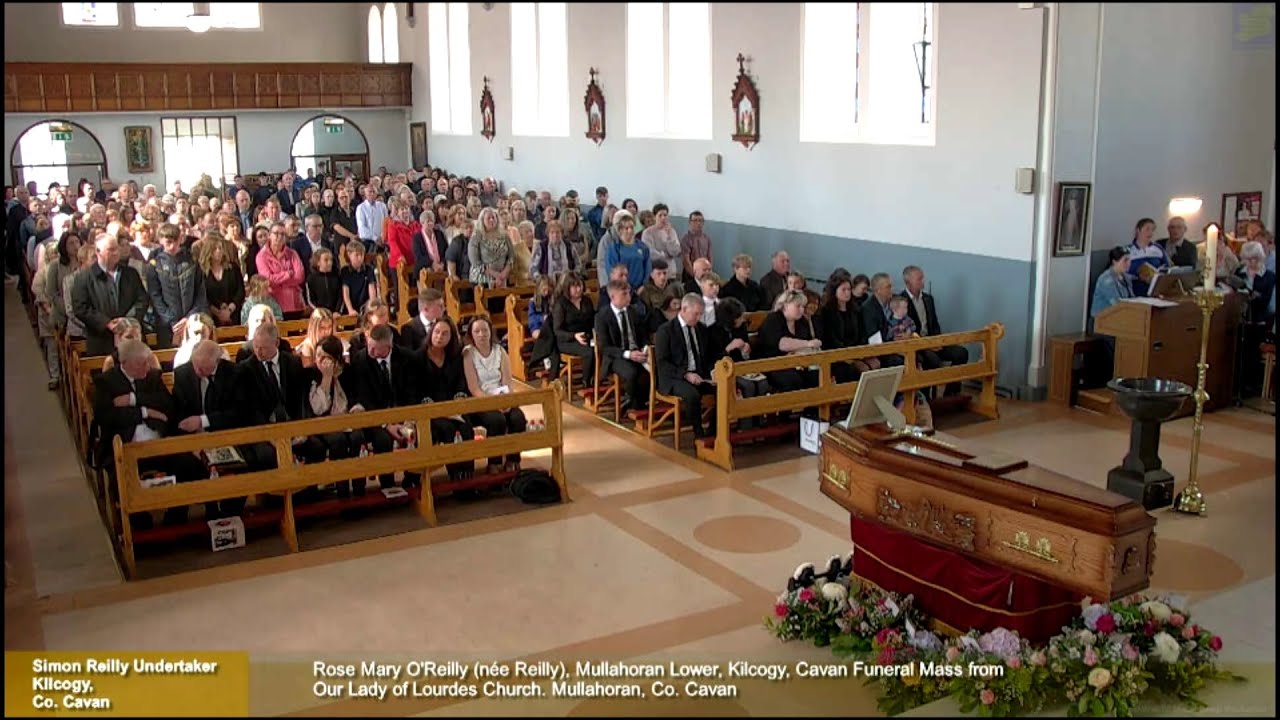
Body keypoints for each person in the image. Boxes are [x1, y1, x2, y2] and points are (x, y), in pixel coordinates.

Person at [93, 339, 203, 528]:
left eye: (146, 362)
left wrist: (133, 399)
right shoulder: (106, 382)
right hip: (126, 449)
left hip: (157, 444)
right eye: (140, 363)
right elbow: (107, 416)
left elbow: (167, 406)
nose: (146, 366)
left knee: (188, 464)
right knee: (122, 479)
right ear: (125, 363)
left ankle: (176, 517)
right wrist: (146, 412)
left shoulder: (152, 376)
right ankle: (137, 523)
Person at [171, 338, 240, 519]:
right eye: (196, 365)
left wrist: (203, 421)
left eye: (203, 368)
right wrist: (194, 438)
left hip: (223, 434)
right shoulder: (183, 374)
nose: (198, 371)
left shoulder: (233, 374)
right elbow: (178, 413)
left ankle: (228, 514)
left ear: (217, 362)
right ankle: (179, 518)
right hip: (192, 439)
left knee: (240, 463)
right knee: (185, 465)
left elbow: (236, 413)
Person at [349, 323, 423, 489]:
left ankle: (412, 479)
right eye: (369, 346)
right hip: (376, 416)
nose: (371, 352)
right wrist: (387, 425)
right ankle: (387, 485)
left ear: (389, 346)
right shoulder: (361, 360)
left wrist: (407, 420)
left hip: (403, 413)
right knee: (383, 440)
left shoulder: (407, 358)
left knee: (419, 433)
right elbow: (365, 398)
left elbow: (412, 392)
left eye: (376, 349)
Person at [301, 335, 366, 497]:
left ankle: (359, 489)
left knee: (357, 437)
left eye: (325, 357)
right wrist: (327, 377)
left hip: (347, 419)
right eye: (317, 356)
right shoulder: (311, 374)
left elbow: (357, 396)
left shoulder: (349, 371)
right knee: (339, 441)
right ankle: (342, 489)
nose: (320, 360)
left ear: (336, 358)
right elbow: (317, 409)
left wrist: (357, 408)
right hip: (322, 423)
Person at [463, 315, 528, 473]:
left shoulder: (500, 351)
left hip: (502, 397)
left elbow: (507, 383)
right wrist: (493, 403)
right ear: (471, 334)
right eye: (477, 331)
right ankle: (494, 463)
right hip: (481, 400)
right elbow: (474, 388)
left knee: (517, 418)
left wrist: (505, 401)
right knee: (497, 420)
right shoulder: (468, 353)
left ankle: (513, 460)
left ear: (490, 332)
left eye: (484, 330)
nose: (481, 334)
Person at [71, 232, 150, 357]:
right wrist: (107, 323)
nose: (116, 253)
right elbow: (80, 308)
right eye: (111, 250)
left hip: (131, 336)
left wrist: (127, 321)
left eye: (117, 248)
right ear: (98, 251)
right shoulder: (84, 278)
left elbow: (142, 299)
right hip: (101, 340)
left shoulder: (130, 273)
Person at [655, 294, 717, 440]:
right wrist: (685, 374)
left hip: (699, 375)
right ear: (683, 309)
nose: (698, 318)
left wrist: (713, 371)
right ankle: (698, 433)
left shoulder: (701, 329)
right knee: (692, 395)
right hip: (675, 377)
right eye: (695, 314)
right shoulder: (666, 330)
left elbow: (708, 355)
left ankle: (714, 430)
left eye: (700, 314)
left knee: (723, 390)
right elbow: (663, 363)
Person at [420, 316, 476, 480]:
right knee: (448, 430)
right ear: (431, 333)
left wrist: (459, 398)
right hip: (430, 409)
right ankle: (455, 475)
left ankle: (468, 475)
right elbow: (417, 388)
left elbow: (461, 382)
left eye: (445, 334)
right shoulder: (419, 357)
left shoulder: (455, 358)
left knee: (466, 428)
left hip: (452, 406)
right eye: (437, 332)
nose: (439, 337)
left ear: (451, 338)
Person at [900, 265, 969, 395]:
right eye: (919, 279)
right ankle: (925, 398)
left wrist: (938, 341)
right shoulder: (901, 302)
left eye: (923, 278)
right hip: (917, 346)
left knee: (961, 353)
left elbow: (935, 325)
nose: (923, 282)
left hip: (933, 342)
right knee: (932, 360)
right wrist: (927, 346)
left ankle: (951, 394)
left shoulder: (928, 299)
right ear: (908, 282)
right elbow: (907, 332)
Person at [707, 297, 769, 430]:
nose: (742, 320)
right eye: (738, 317)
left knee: (762, 383)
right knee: (748, 386)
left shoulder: (741, 329)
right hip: (722, 370)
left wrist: (745, 350)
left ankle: (758, 422)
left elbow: (747, 355)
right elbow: (711, 358)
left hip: (741, 366)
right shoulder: (712, 332)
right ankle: (745, 426)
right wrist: (728, 349)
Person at [146, 222, 208, 348]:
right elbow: (155, 296)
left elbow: (200, 293)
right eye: (168, 242)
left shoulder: (192, 261)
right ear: (161, 241)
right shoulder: (154, 265)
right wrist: (172, 321)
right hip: (167, 325)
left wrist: (189, 317)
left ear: (181, 239)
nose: (173, 246)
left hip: (191, 321)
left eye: (176, 241)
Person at [595, 279, 650, 412]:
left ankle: (640, 401)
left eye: (629, 293)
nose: (628, 297)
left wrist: (644, 349)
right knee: (632, 371)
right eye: (624, 294)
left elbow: (643, 336)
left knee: (652, 370)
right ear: (613, 297)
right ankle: (628, 399)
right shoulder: (602, 316)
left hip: (636, 352)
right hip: (616, 356)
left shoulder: (633, 312)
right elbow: (605, 347)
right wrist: (628, 354)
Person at [756, 289, 821, 393]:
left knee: (817, 377)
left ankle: (810, 409)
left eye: (803, 307)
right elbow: (782, 344)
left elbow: (808, 343)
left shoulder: (802, 322)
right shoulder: (773, 319)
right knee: (792, 380)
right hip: (772, 364)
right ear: (785, 306)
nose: (801, 310)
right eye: (798, 306)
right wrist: (807, 344)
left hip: (797, 363)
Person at [819, 271, 878, 383]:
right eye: (843, 290)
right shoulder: (827, 312)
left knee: (876, 363)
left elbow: (862, 334)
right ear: (834, 291)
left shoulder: (855, 310)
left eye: (849, 289)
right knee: (861, 369)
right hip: (838, 355)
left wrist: (861, 353)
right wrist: (851, 358)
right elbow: (830, 340)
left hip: (856, 351)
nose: (847, 293)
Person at [1235, 240, 1276, 397]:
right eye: (1249, 259)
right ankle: (1235, 384)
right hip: (1240, 318)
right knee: (1236, 340)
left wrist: (1254, 296)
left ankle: (1249, 385)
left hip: (1260, 321)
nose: (1252, 262)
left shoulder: (1269, 277)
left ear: (1261, 258)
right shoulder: (1240, 274)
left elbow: (1269, 304)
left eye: (1255, 259)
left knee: (1251, 344)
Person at [552, 271, 596, 386]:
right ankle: (587, 382)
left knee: (601, 348)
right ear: (568, 288)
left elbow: (592, 321)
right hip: (567, 340)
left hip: (585, 337)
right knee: (589, 352)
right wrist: (574, 336)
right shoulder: (561, 304)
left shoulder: (586, 301)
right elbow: (557, 331)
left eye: (580, 285)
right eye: (574, 286)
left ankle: (597, 378)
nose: (578, 289)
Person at [256, 222, 306, 317]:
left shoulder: (292, 253)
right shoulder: (261, 256)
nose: (279, 237)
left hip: (294, 302)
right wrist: (288, 274)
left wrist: (279, 281)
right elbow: (267, 280)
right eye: (276, 233)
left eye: (283, 234)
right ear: (269, 235)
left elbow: (300, 277)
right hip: (273, 303)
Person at [196, 231, 245, 327]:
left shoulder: (232, 267)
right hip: (211, 317)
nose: (218, 251)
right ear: (208, 251)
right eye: (215, 249)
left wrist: (229, 310)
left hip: (233, 314)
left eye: (220, 248)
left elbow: (240, 291)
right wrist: (218, 312)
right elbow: (202, 296)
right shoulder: (201, 271)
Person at [859, 272, 905, 367]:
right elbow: (873, 337)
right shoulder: (868, 308)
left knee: (917, 357)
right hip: (879, 350)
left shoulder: (892, 304)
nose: (891, 290)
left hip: (894, 344)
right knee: (899, 361)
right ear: (878, 290)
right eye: (888, 287)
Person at [604, 211, 651, 293]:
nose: (629, 231)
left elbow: (647, 267)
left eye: (632, 227)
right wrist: (623, 286)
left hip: (640, 290)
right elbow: (612, 269)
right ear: (620, 230)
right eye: (626, 228)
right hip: (621, 289)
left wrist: (643, 285)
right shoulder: (614, 247)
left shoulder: (642, 247)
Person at [641, 203, 683, 279]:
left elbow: (676, 251)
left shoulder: (671, 231)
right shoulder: (647, 233)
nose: (663, 218)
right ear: (654, 217)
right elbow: (650, 253)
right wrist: (666, 255)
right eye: (660, 215)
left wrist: (668, 237)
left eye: (665, 215)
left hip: (670, 272)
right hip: (655, 273)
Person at [1126, 217, 1166, 296]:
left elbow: (1167, 267)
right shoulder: (1128, 250)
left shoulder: (1158, 249)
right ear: (1138, 230)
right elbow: (1119, 274)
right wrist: (1137, 277)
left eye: (1152, 230)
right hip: (1135, 290)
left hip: (1156, 289)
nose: (1150, 233)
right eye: (1147, 229)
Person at [340, 240, 378, 317]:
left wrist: (371, 308)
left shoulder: (368, 269)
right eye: (357, 255)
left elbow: (372, 290)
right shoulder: (345, 271)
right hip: (350, 307)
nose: (360, 258)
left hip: (365, 306)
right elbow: (345, 293)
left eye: (362, 255)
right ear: (349, 254)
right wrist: (350, 310)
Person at [400, 287, 446, 351]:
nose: (444, 309)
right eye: (440, 306)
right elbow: (409, 357)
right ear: (426, 309)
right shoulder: (409, 329)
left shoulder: (445, 324)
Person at [680, 210, 712, 290]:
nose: (698, 223)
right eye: (695, 220)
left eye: (700, 221)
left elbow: (710, 257)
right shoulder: (686, 239)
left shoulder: (706, 239)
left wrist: (709, 272)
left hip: (705, 273)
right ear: (690, 222)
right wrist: (695, 276)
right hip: (690, 274)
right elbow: (686, 261)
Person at [412, 209, 448, 279]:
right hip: (424, 268)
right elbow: (418, 256)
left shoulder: (439, 234)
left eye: (432, 221)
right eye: (428, 221)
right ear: (422, 223)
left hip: (441, 267)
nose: (430, 223)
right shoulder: (417, 238)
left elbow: (446, 251)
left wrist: (442, 263)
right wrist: (432, 264)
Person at [305, 247, 343, 313]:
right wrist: (320, 311)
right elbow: (310, 300)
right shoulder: (311, 279)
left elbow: (340, 297)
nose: (330, 263)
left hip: (336, 314)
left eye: (331, 260)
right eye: (326, 260)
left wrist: (337, 311)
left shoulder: (337, 277)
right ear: (318, 262)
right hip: (319, 314)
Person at [356, 184, 389, 253]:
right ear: (365, 193)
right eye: (369, 192)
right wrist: (375, 238)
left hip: (382, 241)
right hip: (368, 242)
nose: (372, 194)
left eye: (374, 191)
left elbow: (386, 223)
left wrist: (382, 237)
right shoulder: (361, 208)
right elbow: (362, 228)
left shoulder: (382, 206)